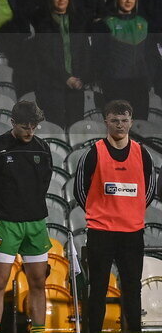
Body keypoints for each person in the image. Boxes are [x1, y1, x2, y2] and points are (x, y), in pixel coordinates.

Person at [74, 99, 157, 333]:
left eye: (124, 120)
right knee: (98, 288)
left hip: (132, 233)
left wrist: (133, 211)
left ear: (131, 122)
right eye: (114, 121)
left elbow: (149, 189)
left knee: (132, 289)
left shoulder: (143, 154)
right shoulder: (93, 153)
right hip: (101, 232)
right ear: (106, 122)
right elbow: (79, 189)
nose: (119, 125)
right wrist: (97, 213)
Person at [0, 100, 53, 333]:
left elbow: (45, 183)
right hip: (5, 224)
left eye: (33, 126)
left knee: (39, 283)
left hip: (36, 222)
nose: (29, 131)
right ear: (12, 123)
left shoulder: (42, 147)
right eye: (24, 127)